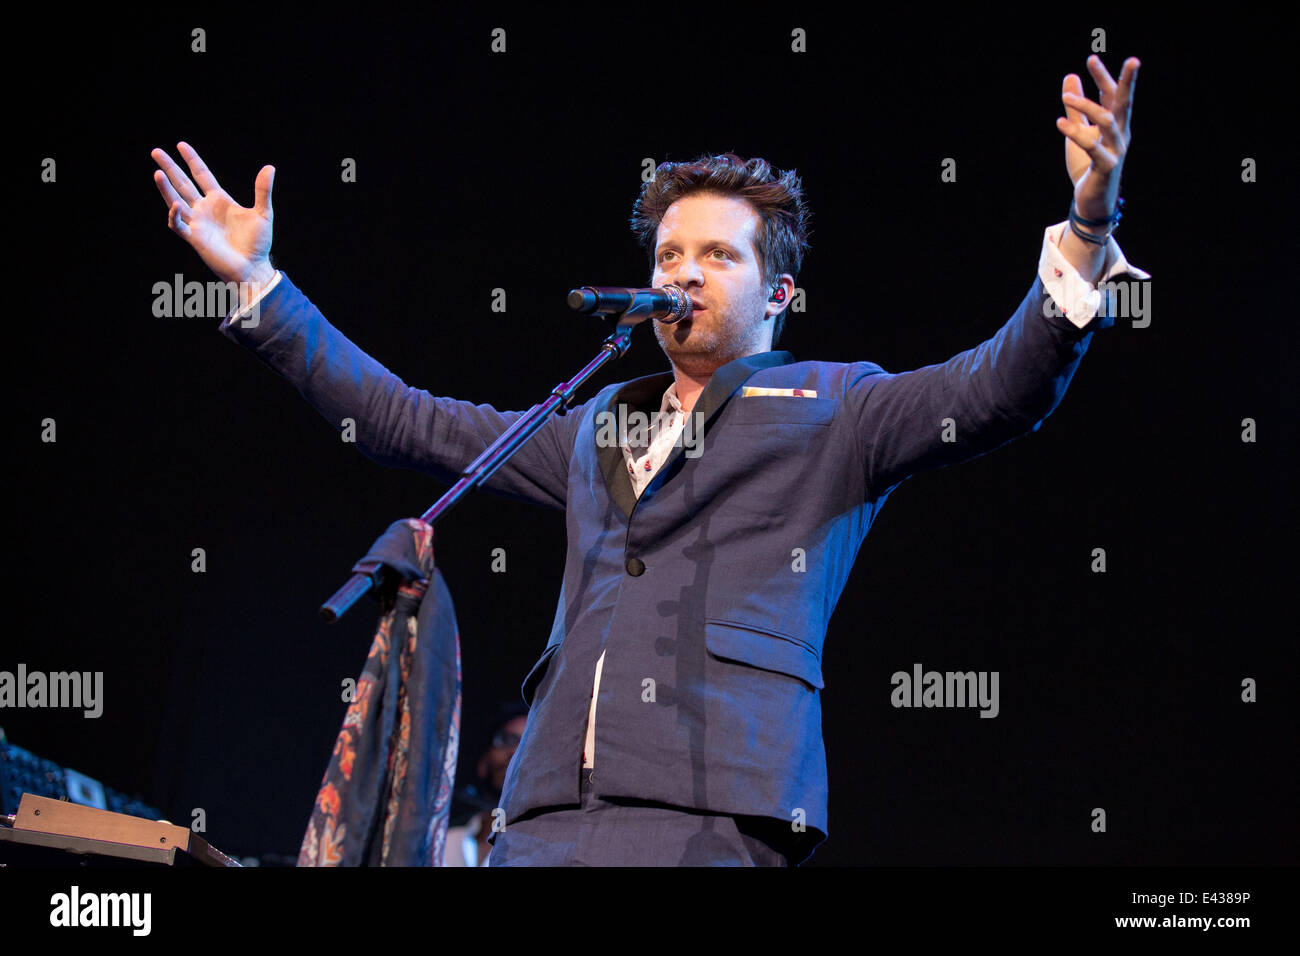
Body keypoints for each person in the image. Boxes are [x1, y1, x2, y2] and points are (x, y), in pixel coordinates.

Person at [151, 54, 1145, 866]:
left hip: (713, 810)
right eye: (669, 256)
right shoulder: (597, 424)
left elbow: (1002, 385)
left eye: (717, 255)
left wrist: (1087, 226)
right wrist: (264, 288)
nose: (681, 273)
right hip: (541, 815)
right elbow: (406, 420)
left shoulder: (842, 409)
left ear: (779, 292)